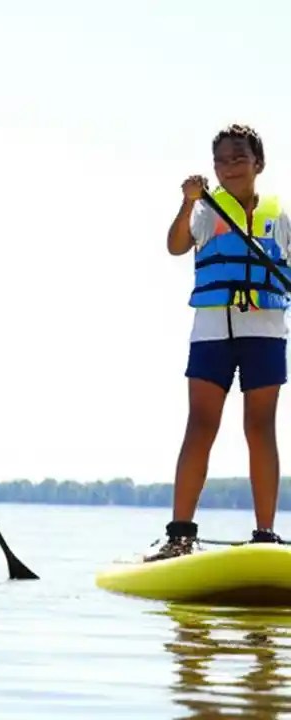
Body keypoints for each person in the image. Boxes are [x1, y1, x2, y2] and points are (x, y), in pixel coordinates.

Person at [158, 123, 291, 559]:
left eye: (239, 158)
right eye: (222, 159)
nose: (230, 166)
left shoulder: (279, 215)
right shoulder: (205, 209)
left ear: (258, 163)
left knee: (260, 427)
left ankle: (266, 532)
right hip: (213, 331)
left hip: (265, 331)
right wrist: (186, 201)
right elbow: (176, 246)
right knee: (201, 425)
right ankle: (180, 533)